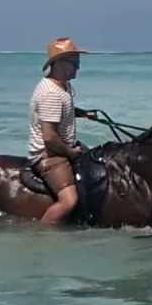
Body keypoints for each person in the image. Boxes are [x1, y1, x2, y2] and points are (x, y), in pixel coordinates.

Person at [28, 37, 98, 225]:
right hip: (49, 155)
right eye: (74, 63)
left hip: (61, 148)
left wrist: (83, 114)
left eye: (78, 63)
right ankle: (41, 235)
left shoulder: (62, 87)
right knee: (69, 201)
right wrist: (71, 153)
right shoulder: (51, 93)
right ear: (58, 64)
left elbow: (59, 112)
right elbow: (50, 138)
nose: (78, 68)